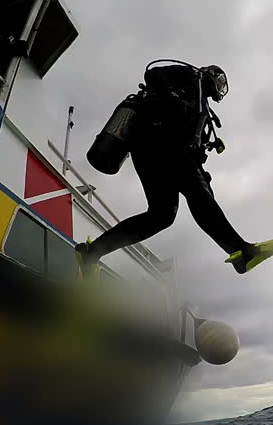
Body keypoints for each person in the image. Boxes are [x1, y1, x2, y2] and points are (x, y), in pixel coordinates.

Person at [75, 60, 258, 274]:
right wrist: (171, 96)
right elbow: (152, 74)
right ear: (210, 73)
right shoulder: (190, 75)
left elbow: (194, 143)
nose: (220, 85)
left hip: (153, 151)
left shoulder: (203, 108)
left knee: (162, 214)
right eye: (220, 80)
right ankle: (238, 250)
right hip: (158, 140)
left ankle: (92, 252)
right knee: (197, 193)